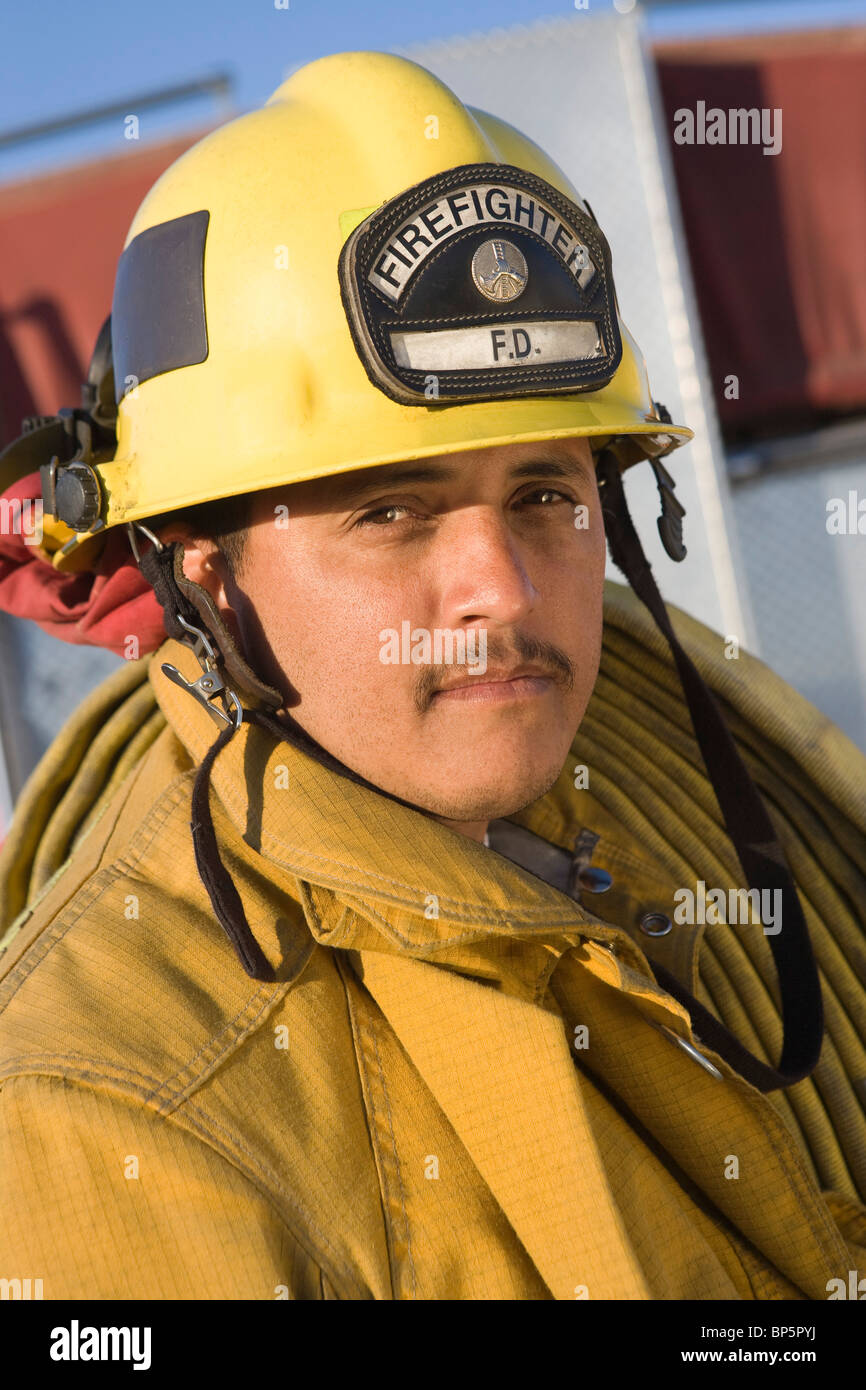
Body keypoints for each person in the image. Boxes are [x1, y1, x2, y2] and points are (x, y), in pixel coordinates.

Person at [0, 50, 865, 1301]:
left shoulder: (582, 835)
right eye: (393, 510)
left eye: (543, 494)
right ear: (200, 564)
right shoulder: (100, 1125)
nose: (503, 592)